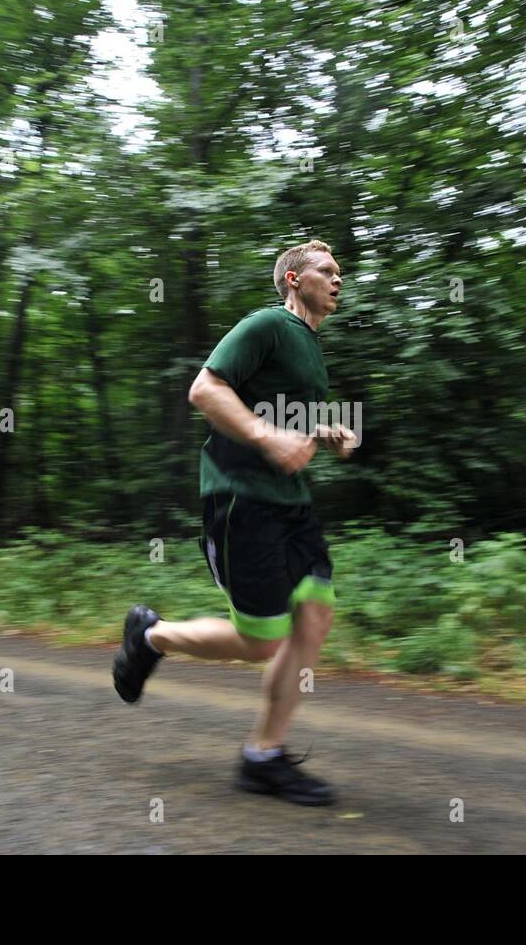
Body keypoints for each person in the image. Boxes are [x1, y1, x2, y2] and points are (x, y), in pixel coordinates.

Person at [113, 239, 356, 806]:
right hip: (241, 501)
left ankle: (263, 757)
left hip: (291, 504)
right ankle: (151, 638)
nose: (338, 279)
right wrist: (267, 436)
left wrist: (323, 433)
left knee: (315, 617)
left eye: (340, 272)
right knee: (260, 641)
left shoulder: (312, 347)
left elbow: (280, 414)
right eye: (327, 271)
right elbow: (205, 389)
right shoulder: (265, 326)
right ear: (294, 280)